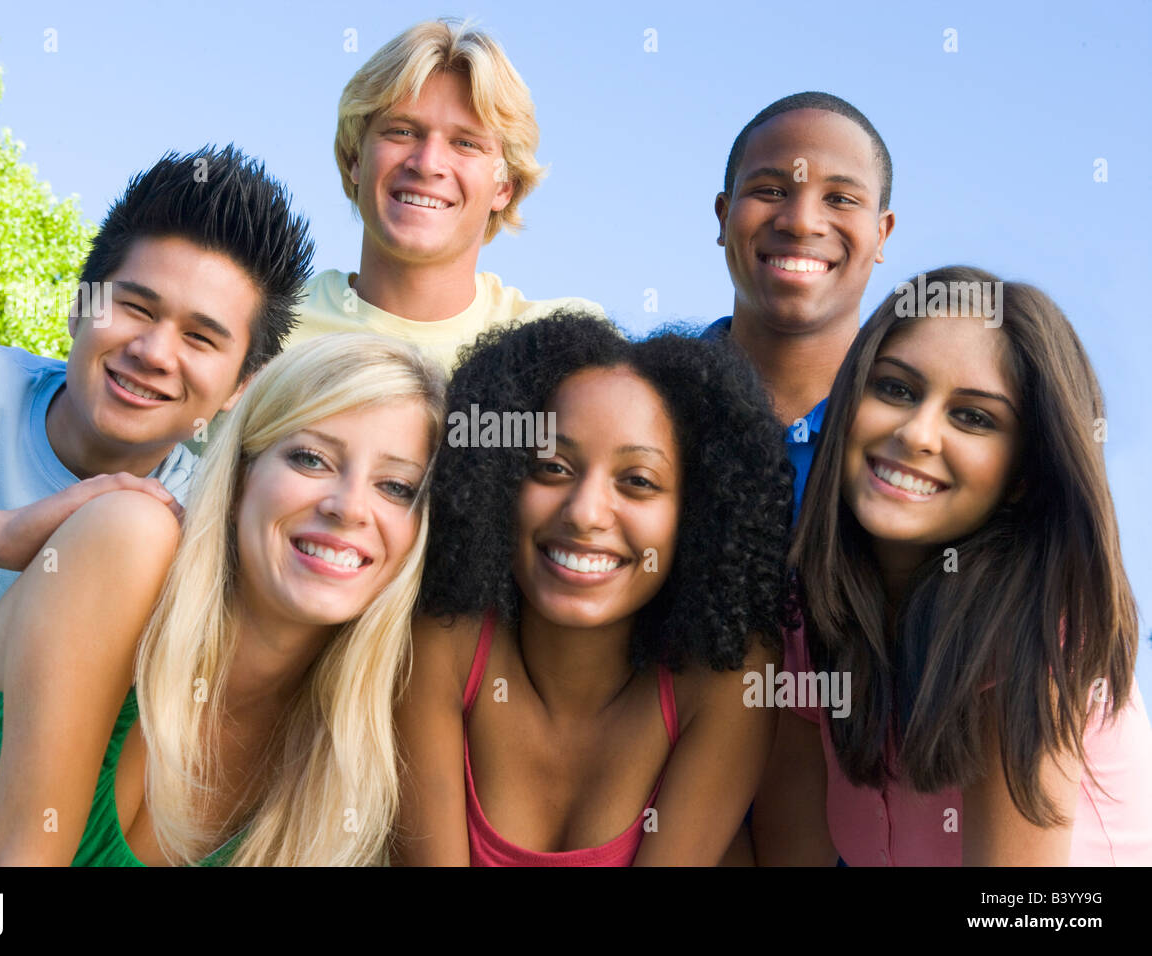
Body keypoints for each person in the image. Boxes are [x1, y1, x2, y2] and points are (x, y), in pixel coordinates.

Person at [0, 334, 446, 865]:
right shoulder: (128, 541)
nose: (347, 506)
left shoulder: (358, 737)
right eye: (311, 458)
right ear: (240, 475)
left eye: (397, 487)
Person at [0, 144, 315, 778]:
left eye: (201, 338)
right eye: (135, 307)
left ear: (240, 386)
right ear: (80, 303)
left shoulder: (208, 523)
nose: (153, 351)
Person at [753, 266, 1152, 865]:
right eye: (896, 389)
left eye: (973, 417)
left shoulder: (1036, 629)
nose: (917, 433)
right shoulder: (811, 619)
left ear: (1023, 475)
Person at [394, 312, 794, 865]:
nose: (584, 514)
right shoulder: (442, 640)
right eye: (553, 468)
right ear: (498, 478)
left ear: (698, 516)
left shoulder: (727, 681)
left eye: (638, 482)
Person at [291, 18, 604, 370]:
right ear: (355, 159)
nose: (427, 164)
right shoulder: (265, 327)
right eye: (402, 131)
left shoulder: (563, 349)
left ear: (504, 187)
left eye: (466, 143)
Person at [702, 91, 896, 517]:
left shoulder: (911, 434)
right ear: (723, 216)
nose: (802, 222)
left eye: (840, 199)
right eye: (771, 191)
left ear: (881, 235)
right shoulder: (641, 400)